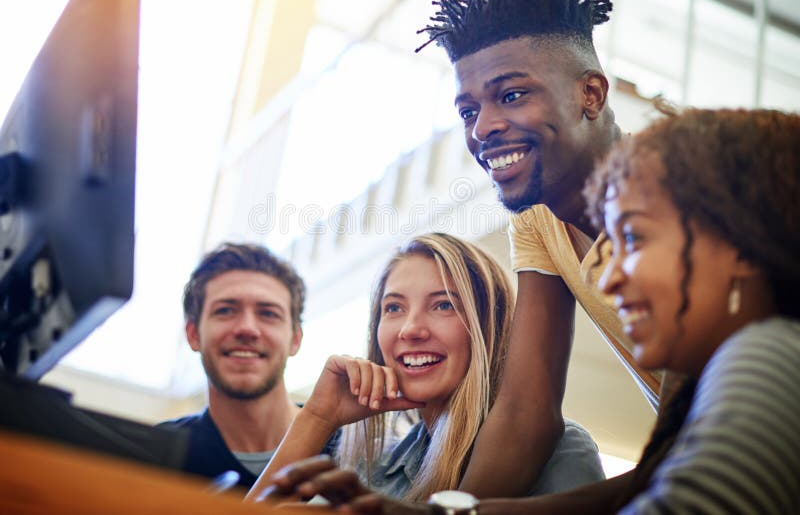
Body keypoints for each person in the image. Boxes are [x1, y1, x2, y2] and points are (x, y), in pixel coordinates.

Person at [265, 108, 800, 514]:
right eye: (393, 307)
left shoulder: (767, 361)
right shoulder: (740, 377)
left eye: (632, 238)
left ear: (742, 247)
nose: (606, 278)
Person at [420, 0, 663, 497]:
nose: (483, 128)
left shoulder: (680, 190)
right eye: (467, 110)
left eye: (511, 95)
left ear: (590, 95)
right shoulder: (536, 219)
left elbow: (698, 456)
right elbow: (527, 410)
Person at [248, 233, 604, 503]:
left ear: (488, 328)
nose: (410, 329)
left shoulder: (561, 449)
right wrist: (317, 418)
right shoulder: (372, 469)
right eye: (394, 308)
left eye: (443, 305)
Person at [160, 242, 325, 491]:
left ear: (295, 339)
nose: (247, 328)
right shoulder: (157, 455)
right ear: (193, 335)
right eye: (225, 310)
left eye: (268, 313)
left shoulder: (350, 451)